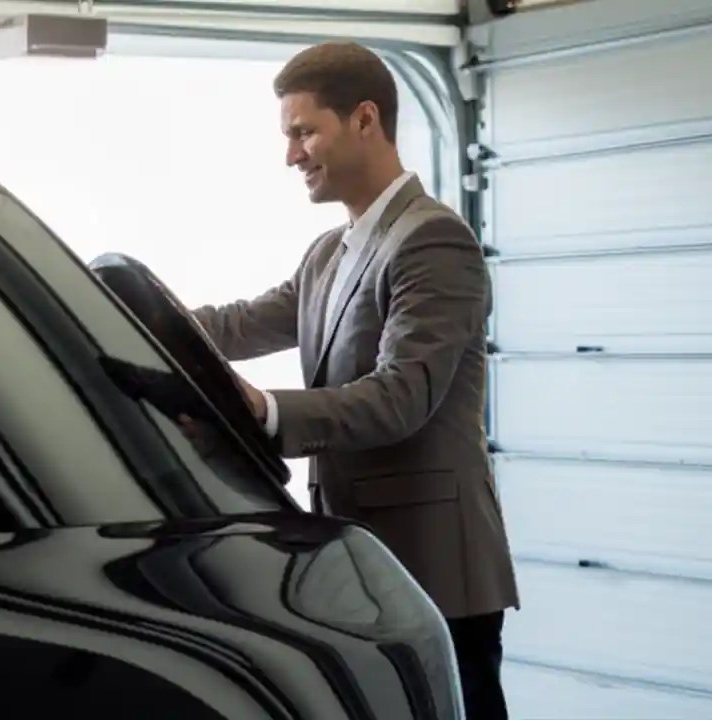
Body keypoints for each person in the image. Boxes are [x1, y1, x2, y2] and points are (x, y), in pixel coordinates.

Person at [190, 41, 519, 720]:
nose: (292, 155)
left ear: (365, 119)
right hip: (368, 568)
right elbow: (238, 325)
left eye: (305, 131)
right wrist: (104, 311)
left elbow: (402, 398)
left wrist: (264, 412)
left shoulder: (433, 240)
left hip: (436, 573)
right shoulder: (328, 253)